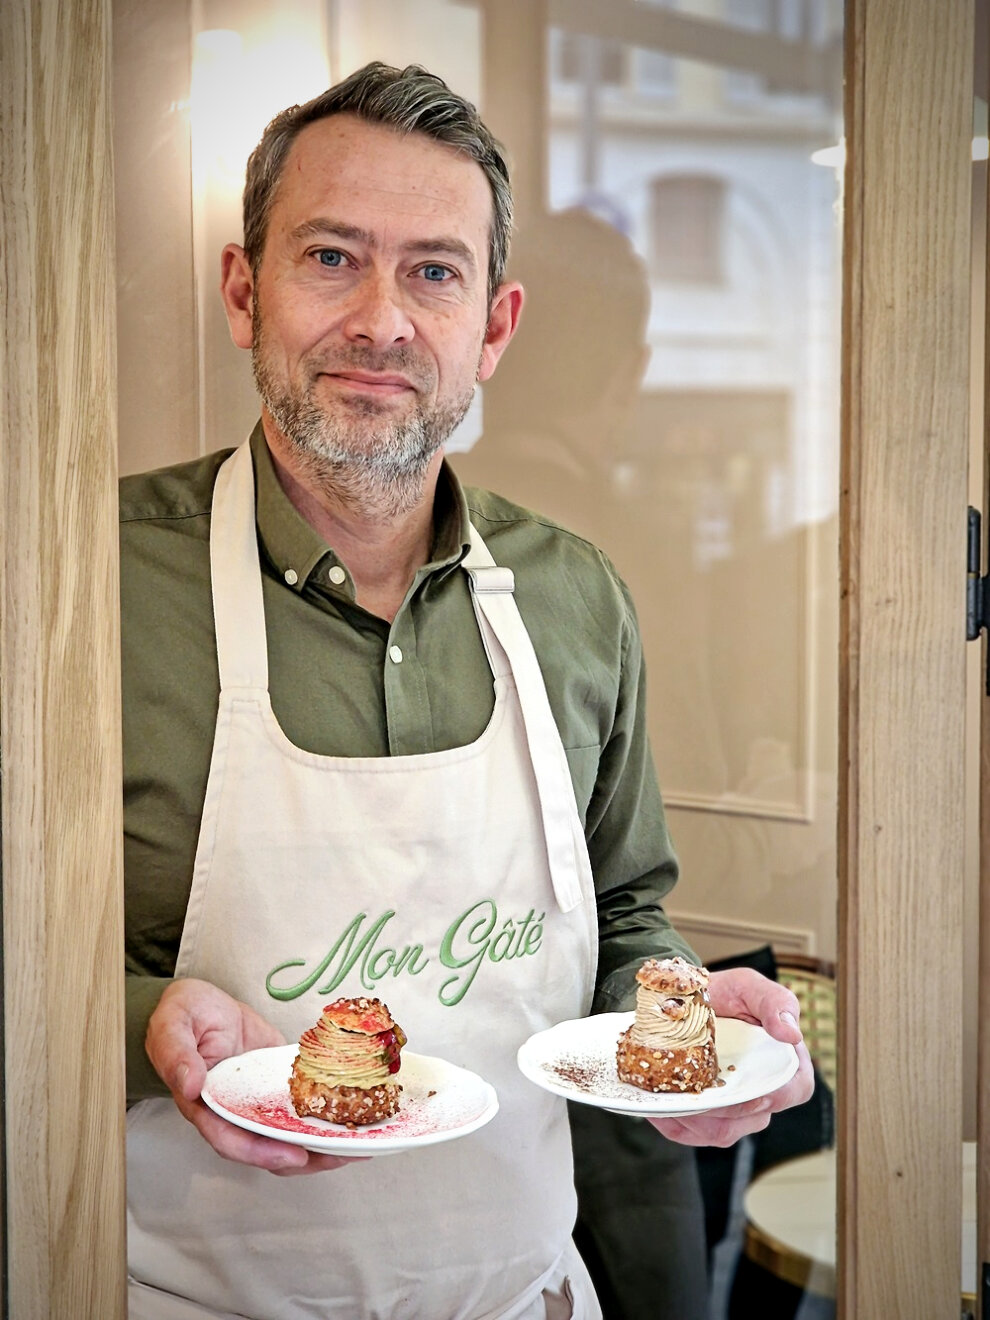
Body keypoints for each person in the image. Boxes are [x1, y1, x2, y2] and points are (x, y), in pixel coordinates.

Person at [121, 61, 813, 1320]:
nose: (383, 320)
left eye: (434, 272)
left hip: (527, 1299)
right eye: (331, 257)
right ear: (242, 289)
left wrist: (677, 1012)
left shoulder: (576, 599)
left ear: (491, 328)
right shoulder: (87, 588)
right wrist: (140, 1026)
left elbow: (622, 912)